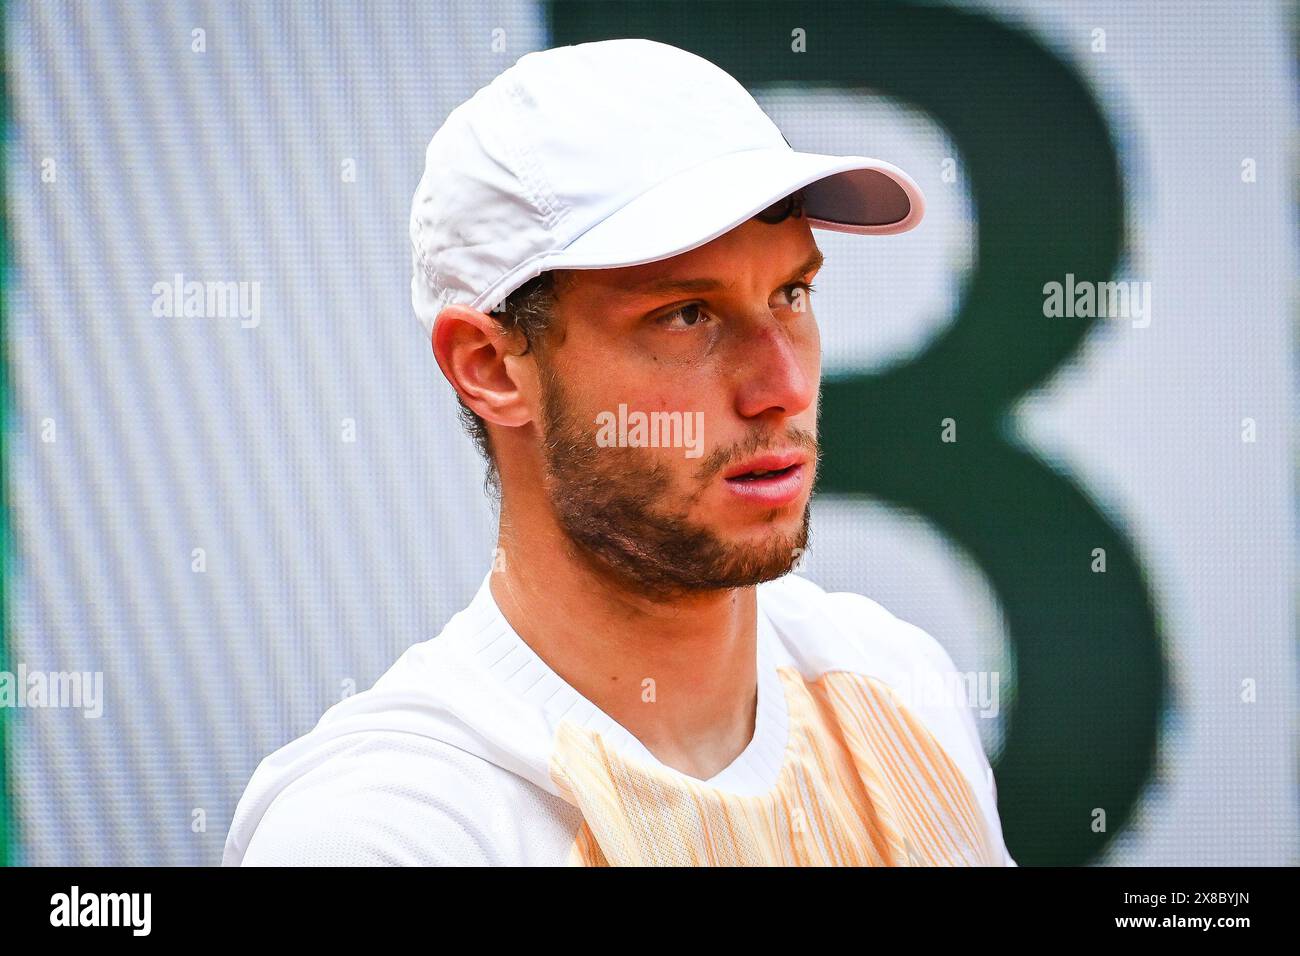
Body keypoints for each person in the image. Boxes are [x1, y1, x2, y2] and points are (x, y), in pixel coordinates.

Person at [223, 37, 1015, 866]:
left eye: (792, 293)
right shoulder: (383, 835)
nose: (779, 385)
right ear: (491, 367)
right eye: (685, 315)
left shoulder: (897, 684)